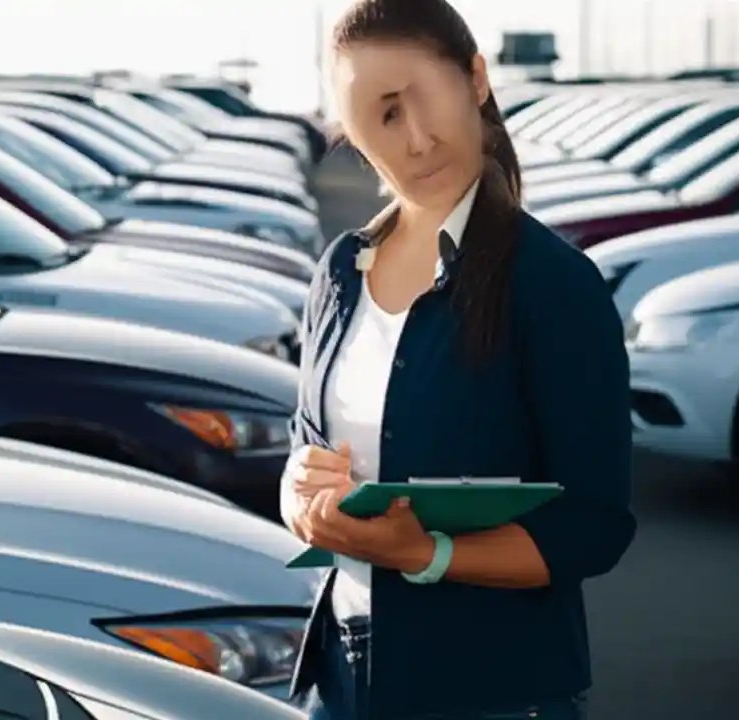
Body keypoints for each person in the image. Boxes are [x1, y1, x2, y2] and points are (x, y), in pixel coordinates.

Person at [278, 1, 637, 718]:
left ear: (475, 78)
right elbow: (306, 451)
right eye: (382, 119)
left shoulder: (553, 283)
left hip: (491, 690)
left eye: (423, 99)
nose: (415, 140)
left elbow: (593, 527)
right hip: (344, 678)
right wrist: (300, 500)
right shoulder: (341, 272)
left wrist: (427, 555)